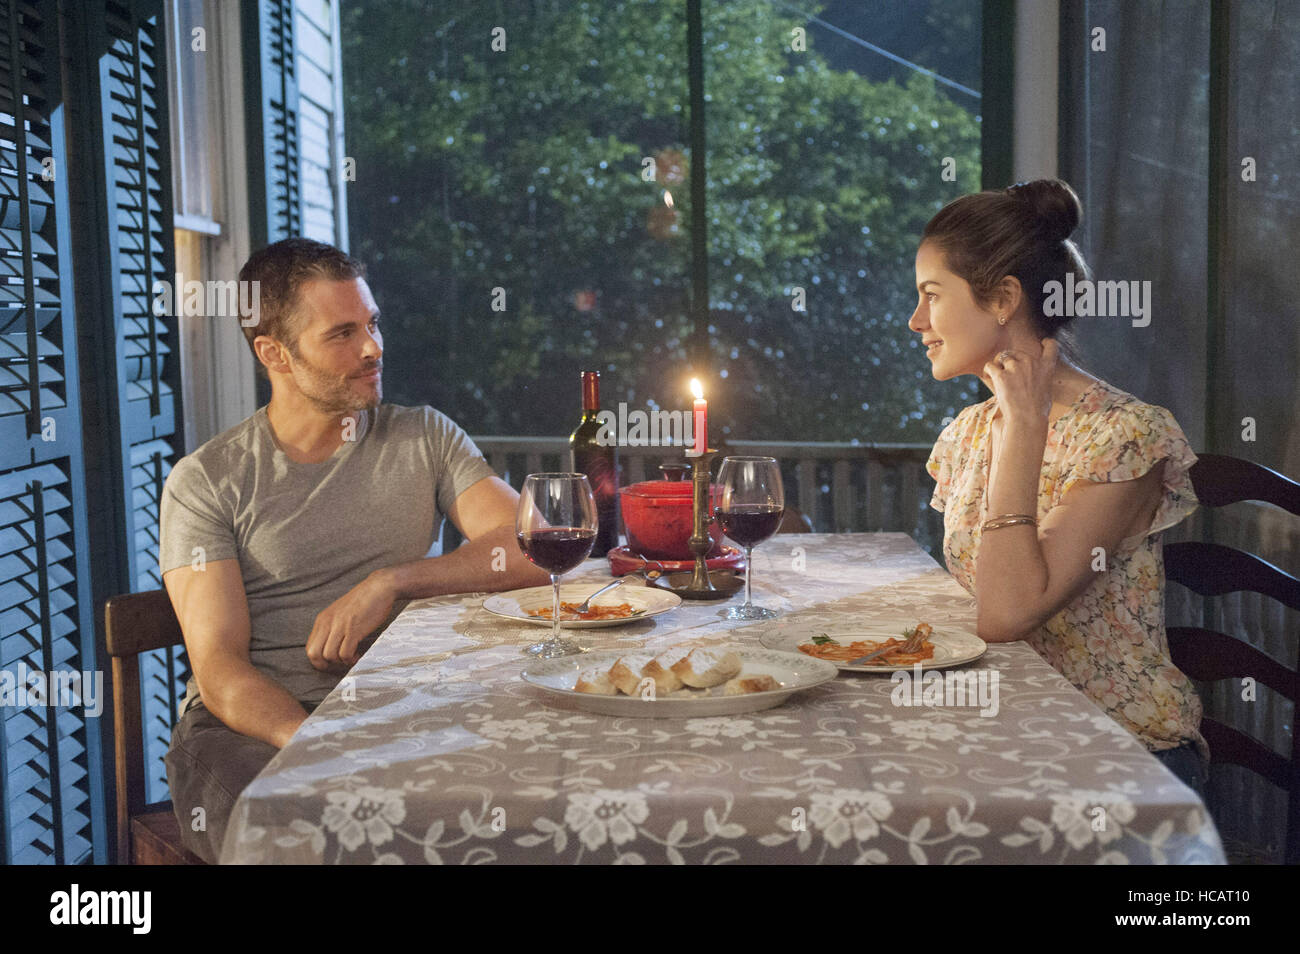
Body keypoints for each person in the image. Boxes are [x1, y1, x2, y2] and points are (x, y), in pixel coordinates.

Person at [159, 238, 550, 862]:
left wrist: (392, 582)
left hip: (399, 706)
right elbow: (220, 670)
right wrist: (315, 738)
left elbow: (535, 549)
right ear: (274, 354)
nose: (372, 348)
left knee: (527, 806)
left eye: (371, 324)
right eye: (342, 333)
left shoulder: (423, 436)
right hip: (252, 729)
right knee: (304, 837)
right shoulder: (208, 482)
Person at [911, 179, 1209, 797]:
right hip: (1011, 731)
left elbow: (1006, 614)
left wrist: (1025, 428)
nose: (917, 322)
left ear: (1003, 299)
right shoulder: (967, 433)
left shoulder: (1126, 435)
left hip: (1120, 748)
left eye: (931, 296)